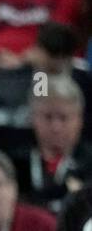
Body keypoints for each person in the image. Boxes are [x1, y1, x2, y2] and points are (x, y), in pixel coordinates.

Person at [10, 75, 92, 213]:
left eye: (63, 118)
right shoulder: (15, 164)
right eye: (48, 117)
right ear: (33, 118)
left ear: (79, 120)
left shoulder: (89, 163)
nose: (56, 127)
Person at [30, 22, 92, 142]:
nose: (35, 54)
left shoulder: (83, 77)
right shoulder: (40, 74)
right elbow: (39, 105)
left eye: (40, 50)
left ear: (58, 56)